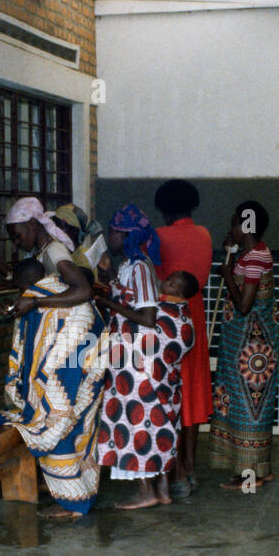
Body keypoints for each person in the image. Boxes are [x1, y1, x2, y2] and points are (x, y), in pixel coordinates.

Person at [0, 258, 108, 519]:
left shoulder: (39, 301)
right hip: (90, 375)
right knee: (83, 429)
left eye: (19, 287)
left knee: (55, 423)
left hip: (65, 380)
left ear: (26, 283)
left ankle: (71, 502)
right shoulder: (63, 294)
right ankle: (83, 489)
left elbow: (33, 357)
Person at [93, 204, 185, 509]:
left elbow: (146, 317)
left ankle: (146, 490)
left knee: (136, 418)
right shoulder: (132, 265)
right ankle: (161, 489)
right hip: (130, 352)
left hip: (136, 358)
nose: (110, 237)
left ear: (124, 234)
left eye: (113, 232)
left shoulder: (140, 267)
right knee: (152, 419)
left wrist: (109, 304)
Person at [209, 201, 279, 489]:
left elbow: (244, 305)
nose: (231, 228)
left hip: (251, 352)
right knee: (250, 409)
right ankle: (260, 470)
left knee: (250, 410)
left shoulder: (255, 258)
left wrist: (227, 276)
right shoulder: (251, 253)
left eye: (235, 223)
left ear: (246, 226)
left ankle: (250, 479)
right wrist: (232, 252)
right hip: (243, 350)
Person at [153, 179, 213, 497]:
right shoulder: (204, 235)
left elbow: (155, 279)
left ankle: (175, 474)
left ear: (164, 208)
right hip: (196, 317)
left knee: (170, 392)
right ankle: (190, 469)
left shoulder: (160, 237)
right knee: (193, 391)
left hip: (168, 319)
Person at [0, 197, 93, 314]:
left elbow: (83, 290)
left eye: (17, 236)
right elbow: (24, 279)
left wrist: (35, 302)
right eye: (13, 239)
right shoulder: (38, 253)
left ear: (32, 224)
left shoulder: (54, 251)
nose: (16, 243)